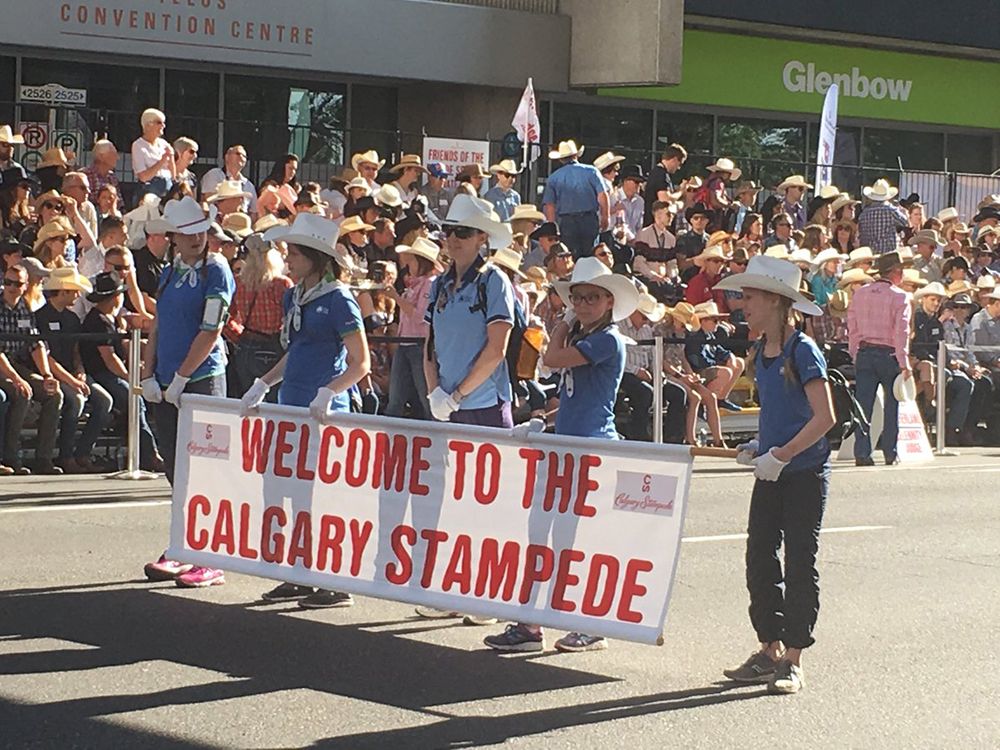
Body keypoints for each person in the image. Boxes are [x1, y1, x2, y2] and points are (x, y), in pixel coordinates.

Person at [484, 256, 639, 653]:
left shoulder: (605, 339)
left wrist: (562, 325)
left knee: (577, 538)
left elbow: (550, 361)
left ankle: (589, 623)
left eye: (592, 297)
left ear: (608, 302)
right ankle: (531, 623)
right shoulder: (586, 339)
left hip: (591, 446)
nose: (584, 303)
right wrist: (544, 419)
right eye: (578, 297)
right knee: (542, 532)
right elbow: (573, 392)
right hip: (567, 442)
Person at [715, 254, 834, 696]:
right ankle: (769, 648)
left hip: (803, 473)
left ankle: (793, 659)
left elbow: (824, 417)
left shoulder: (801, 349)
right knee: (759, 559)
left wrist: (781, 454)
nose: (742, 303)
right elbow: (778, 412)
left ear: (774, 300)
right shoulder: (759, 351)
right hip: (774, 471)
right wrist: (758, 447)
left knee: (800, 562)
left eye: (749, 296)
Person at [240, 212, 371, 609]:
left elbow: (360, 362)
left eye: (294, 252)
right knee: (290, 492)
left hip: (322, 413)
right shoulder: (293, 295)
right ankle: (299, 571)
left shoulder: (338, 299)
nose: (288, 258)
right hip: (290, 406)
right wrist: (265, 382)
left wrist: (329, 393)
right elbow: (295, 352)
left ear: (315, 256)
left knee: (324, 498)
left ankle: (336, 581)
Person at [141, 196, 235, 588]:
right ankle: (184, 541)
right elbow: (157, 325)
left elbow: (211, 330)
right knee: (176, 467)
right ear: (174, 236)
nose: (196, 237)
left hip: (200, 379)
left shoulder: (217, 269)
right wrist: (148, 373)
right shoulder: (169, 272)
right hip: (164, 381)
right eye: (187, 232)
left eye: (201, 230)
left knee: (204, 469)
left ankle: (211, 554)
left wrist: (182, 376)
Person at [423, 194, 515, 427]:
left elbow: (496, 350)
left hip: (485, 406)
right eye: (449, 230)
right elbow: (429, 345)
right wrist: (434, 393)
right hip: (445, 406)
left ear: (481, 237)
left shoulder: (494, 281)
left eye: (463, 232)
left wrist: (457, 397)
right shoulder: (439, 284)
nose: (453, 238)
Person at [34, 268, 113, 474]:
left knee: (104, 400)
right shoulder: (40, 317)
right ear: (62, 291)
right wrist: (72, 380)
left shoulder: (72, 318)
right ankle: (65, 455)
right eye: (73, 291)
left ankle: (83, 452)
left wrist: (80, 371)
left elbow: (76, 350)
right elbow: (47, 357)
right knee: (76, 400)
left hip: (72, 373)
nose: (77, 295)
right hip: (55, 374)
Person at [80, 272, 161, 471]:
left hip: (109, 372)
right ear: (115, 297)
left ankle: (142, 450)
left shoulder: (111, 319)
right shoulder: (98, 321)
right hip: (100, 373)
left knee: (136, 400)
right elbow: (109, 359)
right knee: (134, 400)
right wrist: (131, 377)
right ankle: (149, 454)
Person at [847, 250, 911, 466]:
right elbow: (901, 332)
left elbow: (852, 327)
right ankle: (890, 452)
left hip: (865, 352)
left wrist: (855, 352)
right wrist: (904, 362)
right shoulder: (900, 296)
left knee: (863, 406)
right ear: (895, 272)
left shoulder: (860, 294)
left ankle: (862, 452)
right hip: (889, 354)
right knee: (892, 406)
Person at [0, 263, 64, 475]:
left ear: (25, 285)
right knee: (21, 393)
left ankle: (43, 458)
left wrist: (46, 374)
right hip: (3, 364)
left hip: (17, 363)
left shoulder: (25, 308)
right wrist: (16, 378)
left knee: (54, 395)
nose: (10, 287)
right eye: (7, 282)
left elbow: (35, 344)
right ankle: (10, 457)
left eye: (16, 284)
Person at [224, 233, 293, 400]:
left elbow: (225, 317)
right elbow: (292, 319)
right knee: (273, 402)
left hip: (245, 346)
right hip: (272, 347)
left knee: (249, 401)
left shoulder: (238, 282)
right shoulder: (281, 284)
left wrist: (237, 336)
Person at [617, 292, 687, 442]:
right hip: (624, 372)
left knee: (678, 393)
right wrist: (637, 371)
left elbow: (652, 357)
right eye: (644, 317)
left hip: (645, 372)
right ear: (634, 312)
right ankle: (640, 436)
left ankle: (672, 438)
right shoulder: (618, 327)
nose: (646, 322)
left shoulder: (647, 330)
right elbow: (616, 357)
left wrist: (657, 372)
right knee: (645, 393)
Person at [384, 237, 441, 419]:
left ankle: (434, 434)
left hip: (419, 346)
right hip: (406, 343)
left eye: (413, 259)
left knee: (425, 397)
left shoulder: (430, 284)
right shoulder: (417, 284)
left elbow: (420, 317)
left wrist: (397, 298)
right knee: (396, 398)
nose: (409, 264)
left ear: (422, 262)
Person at [542, 140, 608, 259]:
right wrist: (605, 217)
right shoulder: (591, 171)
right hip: (589, 220)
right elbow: (602, 195)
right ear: (576, 155)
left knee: (570, 257)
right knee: (591, 256)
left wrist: (553, 228)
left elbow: (550, 205)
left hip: (567, 223)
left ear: (561, 159)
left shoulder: (554, 178)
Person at [201, 145, 258, 217]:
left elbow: (254, 212)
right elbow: (208, 201)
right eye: (238, 153)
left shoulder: (249, 185)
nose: (241, 157)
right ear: (227, 157)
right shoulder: (214, 175)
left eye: (244, 156)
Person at [131, 108, 175, 199]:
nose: (163, 126)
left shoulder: (164, 144)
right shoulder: (138, 145)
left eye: (164, 123)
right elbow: (143, 177)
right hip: (149, 191)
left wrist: (171, 158)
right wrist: (162, 161)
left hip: (168, 188)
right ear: (148, 125)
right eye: (159, 122)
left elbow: (173, 175)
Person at [857, 179, 908, 255]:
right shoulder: (891, 210)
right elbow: (905, 222)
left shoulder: (864, 213)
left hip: (869, 254)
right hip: (888, 253)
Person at [644, 143, 686, 226]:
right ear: (674, 159)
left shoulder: (658, 173)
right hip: (655, 226)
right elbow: (665, 200)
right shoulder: (661, 174)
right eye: (680, 163)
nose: (679, 168)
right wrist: (681, 191)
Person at [82, 139, 121, 207]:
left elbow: (119, 203)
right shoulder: (85, 175)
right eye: (114, 154)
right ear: (101, 157)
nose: (117, 158)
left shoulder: (112, 177)